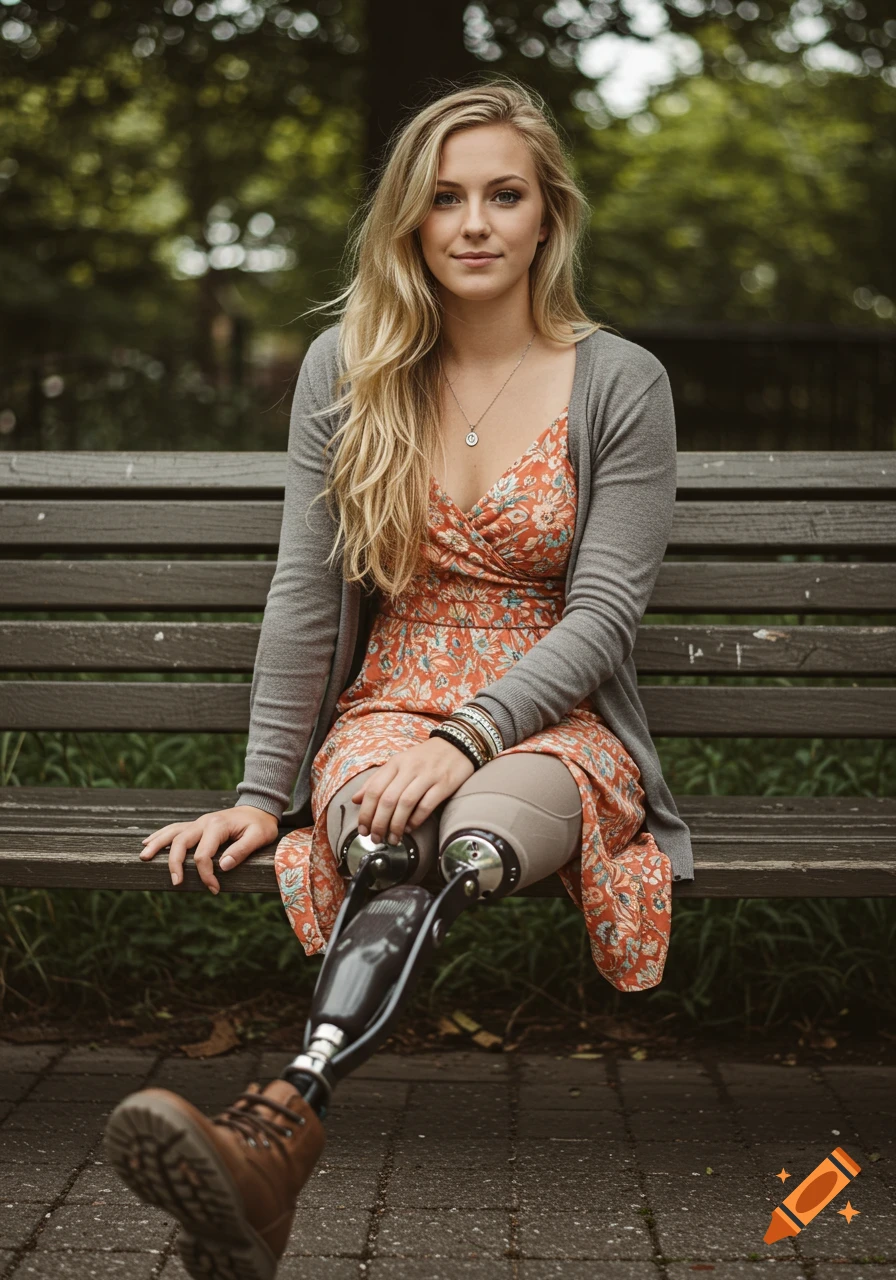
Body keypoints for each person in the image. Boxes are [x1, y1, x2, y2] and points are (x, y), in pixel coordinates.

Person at [103, 75, 694, 1280]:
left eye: (502, 195)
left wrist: (467, 736)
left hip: (547, 722)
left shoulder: (618, 380)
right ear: (410, 223)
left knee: (466, 829)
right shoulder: (350, 365)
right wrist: (264, 796)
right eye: (444, 199)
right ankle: (273, 1139)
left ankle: (272, 1126)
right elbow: (306, 592)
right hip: (384, 709)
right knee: (381, 833)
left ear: (547, 216)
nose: (474, 223)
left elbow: (603, 613)